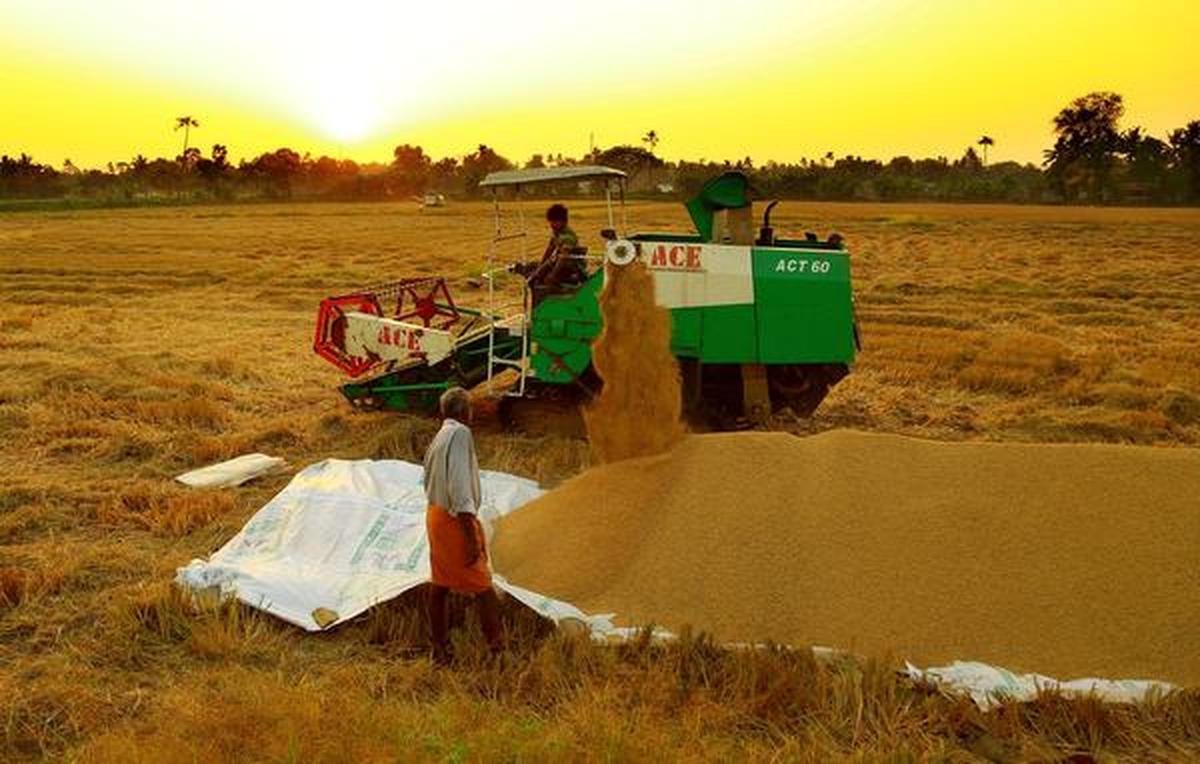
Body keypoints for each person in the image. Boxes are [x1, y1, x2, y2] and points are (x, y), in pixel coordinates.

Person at [423, 386, 503, 664]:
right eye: (470, 407)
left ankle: (440, 650)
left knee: (440, 584)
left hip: (435, 514)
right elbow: (459, 486)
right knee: (483, 588)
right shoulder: (460, 434)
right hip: (455, 519)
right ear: (464, 411)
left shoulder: (440, 435)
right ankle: (497, 651)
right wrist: (470, 534)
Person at [526, 203, 586, 292]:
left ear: (563, 221)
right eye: (551, 221)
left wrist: (552, 275)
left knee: (546, 279)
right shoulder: (557, 234)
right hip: (560, 263)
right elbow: (549, 249)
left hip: (571, 268)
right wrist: (540, 267)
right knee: (534, 273)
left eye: (554, 222)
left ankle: (563, 292)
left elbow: (564, 258)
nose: (551, 224)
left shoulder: (568, 237)